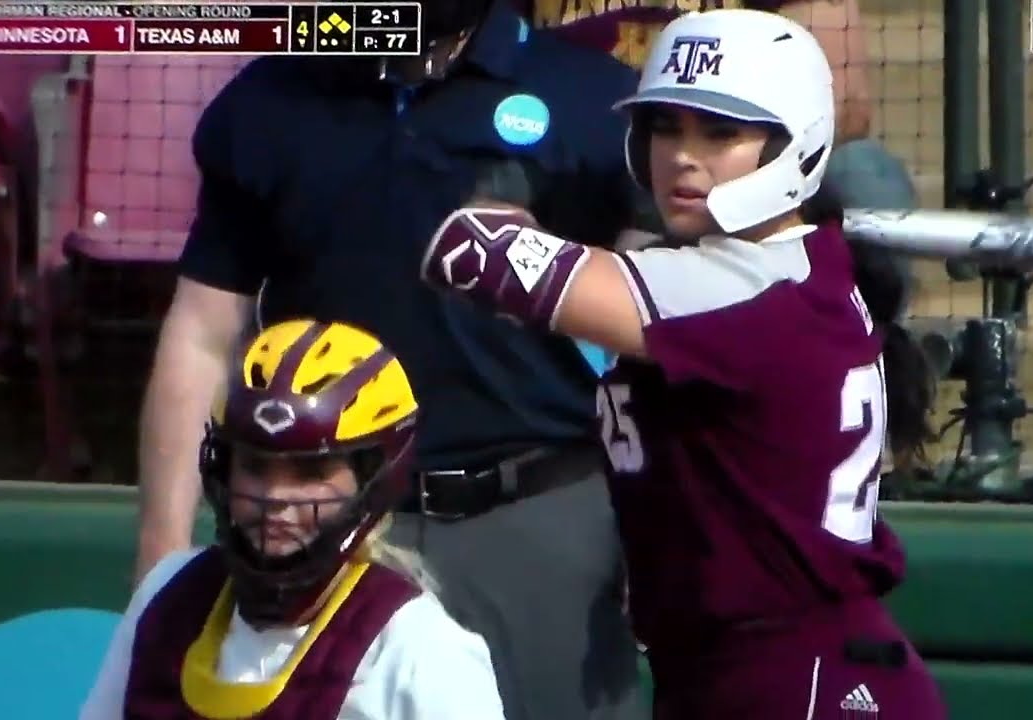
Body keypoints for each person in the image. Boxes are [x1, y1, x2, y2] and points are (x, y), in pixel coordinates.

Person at [420, 9, 945, 719]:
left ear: (794, 145)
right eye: (667, 127)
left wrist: (516, 206)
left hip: (798, 679)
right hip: (730, 669)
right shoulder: (774, 269)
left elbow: (472, 251)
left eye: (722, 133)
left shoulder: (741, 290)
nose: (683, 157)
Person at [132, 2, 646, 719]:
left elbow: (668, 332)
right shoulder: (270, 100)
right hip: (333, 527)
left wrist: (660, 521)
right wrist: (160, 557)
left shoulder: (596, 101)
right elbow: (202, 336)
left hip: (540, 515)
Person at [81, 319, 505, 720]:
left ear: (371, 480)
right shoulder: (167, 595)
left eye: (310, 474)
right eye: (255, 465)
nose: (275, 499)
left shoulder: (421, 650)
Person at [523, 0, 920, 212]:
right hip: (557, 140)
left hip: (721, 145)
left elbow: (843, 101)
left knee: (866, 175)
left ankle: (873, 350)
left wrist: (736, 158)